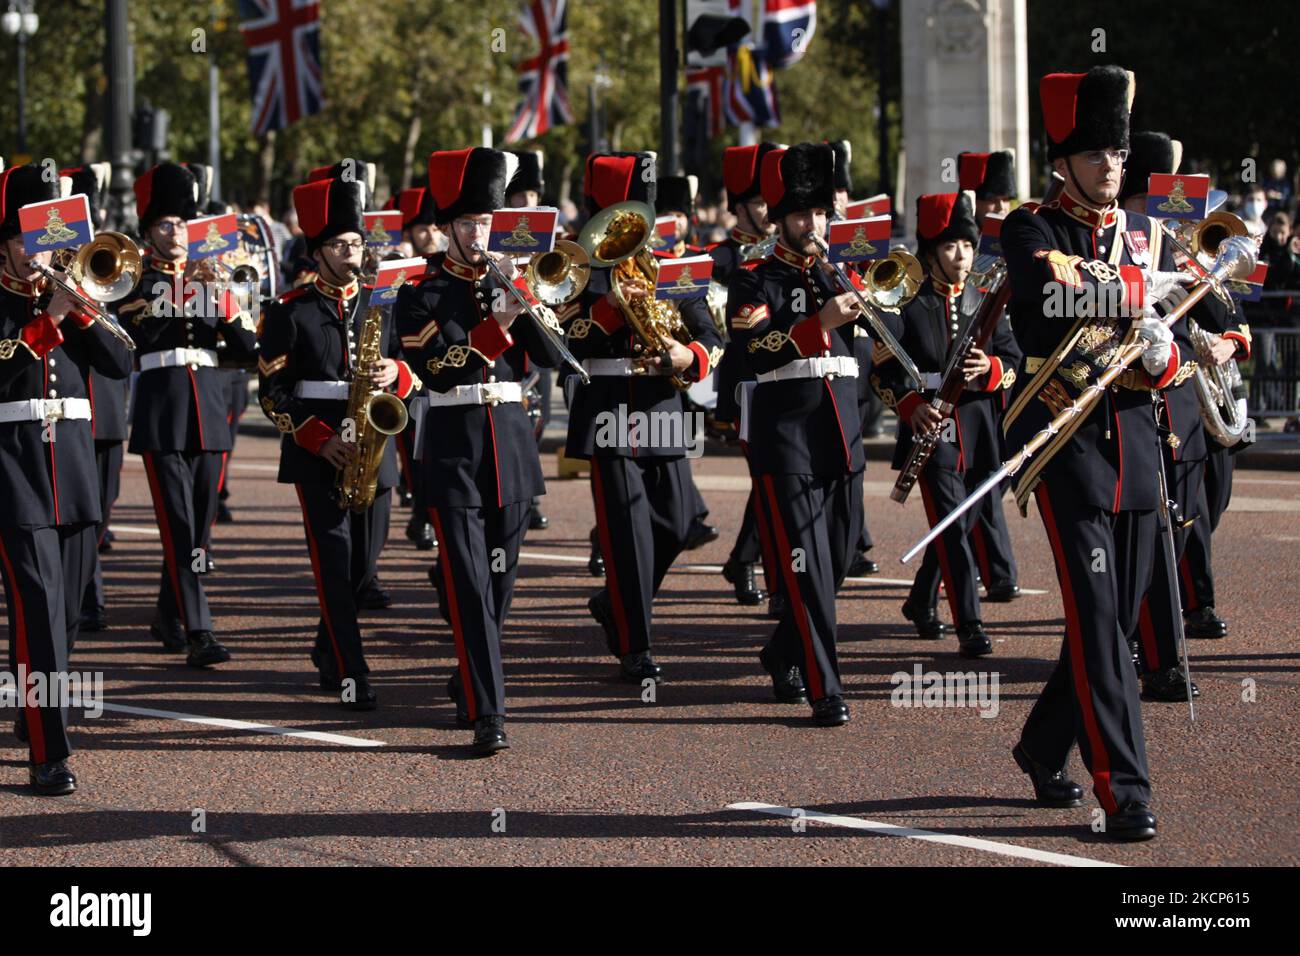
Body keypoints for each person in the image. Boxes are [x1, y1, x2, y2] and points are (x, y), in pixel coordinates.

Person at [999, 65, 1232, 840]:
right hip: (1068, 444)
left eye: (1118, 154)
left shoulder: (1148, 233)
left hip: (1137, 446)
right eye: (1096, 153)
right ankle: (1125, 792)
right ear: (1062, 159)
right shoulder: (1032, 226)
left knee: (1114, 624)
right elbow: (1047, 294)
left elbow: (1167, 351)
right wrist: (1139, 296)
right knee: (1099, 620)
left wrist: (1165, 355)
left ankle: (1040, 746)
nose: (1110, 166)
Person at [395, 147, 563, 754]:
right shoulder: (421, 291)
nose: (477, 234)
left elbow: (548, 359)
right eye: (467, 224)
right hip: (452, 448)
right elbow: (437, 370)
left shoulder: (512, 279)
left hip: (513, 444)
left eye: (485, 223)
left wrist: (530, 307)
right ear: (447, 228)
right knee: (469, 582)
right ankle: (489, 711)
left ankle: (470, 670)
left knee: (499, 585)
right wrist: (497, 325)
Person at [257, 169, 419, 709]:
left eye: (357, 243)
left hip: (374, 444)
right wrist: (318, 438)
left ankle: (327, 648)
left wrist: (395, 373)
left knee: (361, 566)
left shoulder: (384, 301)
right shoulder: (289, 311)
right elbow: (272, 392)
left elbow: (415, 370)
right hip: (319, 452)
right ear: (317, 252)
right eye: (341, 246)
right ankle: (353, 670)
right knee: (332, 561)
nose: (353, 254)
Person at [727, 142, 871, 726]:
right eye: (801, 215)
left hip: (841, 429)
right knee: (806, 567)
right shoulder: (753, 279)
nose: (813, 226)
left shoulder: (844, 272)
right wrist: (820, 324)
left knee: (834, 563)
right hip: (785, 434)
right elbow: (756, 352)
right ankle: (824, 686)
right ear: (779, 217)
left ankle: (782, 650)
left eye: (820, 215)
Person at [0, 163, 133, 794]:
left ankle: (33, 710)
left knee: (68, 612)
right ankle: (49, 752)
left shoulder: (72, 293)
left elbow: (120, 362)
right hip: (14, 471)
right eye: (27, 240)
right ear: (5, 243)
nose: (38, 254)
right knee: (37, 611)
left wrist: (79, 310)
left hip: (74, 471)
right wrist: (48, 318)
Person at [567, 151, 723, 684]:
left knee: (678, 522)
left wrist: (691, 356)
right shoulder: (579, 267)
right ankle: (636, 644)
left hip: (663, 404)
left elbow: (711, 333)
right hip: (608, 405)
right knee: (627, 534)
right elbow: (568, 341)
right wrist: (611, 305)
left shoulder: (668, 262)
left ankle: (615, 603)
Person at [1118, 131, 1245, 698]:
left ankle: (1154, 640)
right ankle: (1152, 651)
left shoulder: (1179, 248)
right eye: (1154, 201)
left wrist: (1196, 271)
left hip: (1185, 407)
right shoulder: (1114, 246)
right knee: (1148, 531)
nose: (1165, 213)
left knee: (1191, 515)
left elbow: (1224, 312)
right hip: (1133, 405)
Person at [116, 162, 255, 667]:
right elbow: (141, 339)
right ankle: (199, 630)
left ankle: (166, 613)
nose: (175, 234)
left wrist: (227, 299)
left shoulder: (211, 277)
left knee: (199, 525)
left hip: (209, 407)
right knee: (179, 525)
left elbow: (245, 348)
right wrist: (183, 290)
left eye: (182, 225)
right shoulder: (135, 280)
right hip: (163, 408)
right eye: (165, 225)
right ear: (149, 232)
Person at [872, 191, 1020, 657]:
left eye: (968, 246)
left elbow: (1015, 359)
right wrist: (909, 404)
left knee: (962, 520)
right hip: (931, 428)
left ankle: (920, 600)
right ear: (932, 251)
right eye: (952, 246)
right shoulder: (909, 302)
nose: (962, 256)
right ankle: (969, 624)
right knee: (953, 529)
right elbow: (883, 369)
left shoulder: (985, 297)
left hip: (980, 428)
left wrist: (991, 369)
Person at [710, 142, 783, 612]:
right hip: (744, 382)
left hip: (786, 374)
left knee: (775, 477)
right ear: (738, 207)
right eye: (758, 202)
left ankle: (745, 558)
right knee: (770, 476)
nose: (767, 211)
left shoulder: (785, 249)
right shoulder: (719, 258)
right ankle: (759, 565)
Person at [60, 163, 127, 633]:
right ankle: (89, 595)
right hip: (61, 412)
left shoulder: (109, 265)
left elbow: (121, 349)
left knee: (98, 507)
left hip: (103, 405)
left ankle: (87, 588)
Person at [956, 149, 1022, 601]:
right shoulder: (965, 249)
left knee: (990, 481)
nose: (999, 209)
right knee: (981, 482)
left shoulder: (1020, 237)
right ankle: (994, 571)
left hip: (1008, 373)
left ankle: (977, 570)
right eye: (991, 201)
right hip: (968, 391)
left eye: (1004, 201)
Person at [829, 139, 880, 580]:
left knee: (851, 467)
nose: (841, 201)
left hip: (862, 369)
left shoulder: (858, 246)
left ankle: (852, 542)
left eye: (843, 193)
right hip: (823, 375)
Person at [504, 149, 554, 534]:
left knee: (540, 417)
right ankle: (524, 496)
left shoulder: (550, 240)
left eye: (534, 197)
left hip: (539, 339)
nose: (529, 203)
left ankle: (528, 494)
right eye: (521, 197)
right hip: (506, 343)